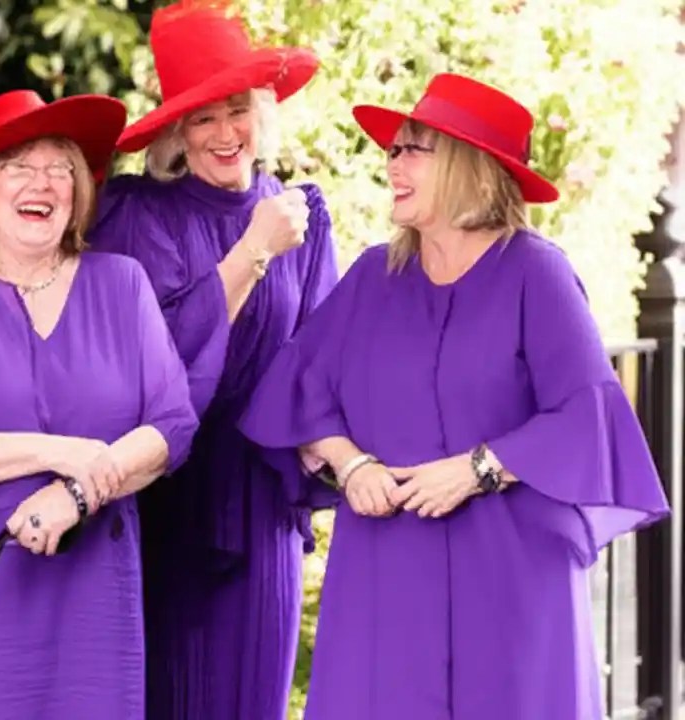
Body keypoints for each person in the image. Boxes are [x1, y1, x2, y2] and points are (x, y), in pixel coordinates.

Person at [241, 73, 670, 719]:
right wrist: (351, 464)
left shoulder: (536, 273)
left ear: (469, 167)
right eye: (393, 150)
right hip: (386, 573)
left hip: (510, 569)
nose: (393, 164)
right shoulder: (373, 277)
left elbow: (589, 415)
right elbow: (296, 388)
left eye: (413, 150)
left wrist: (477, 469)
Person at [0, 89, 199, 719]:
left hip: (95, 594)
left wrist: (78, 493)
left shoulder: (123, 283)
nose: (42, 182)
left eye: (59, 167)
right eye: (18, 166)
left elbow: (171, 426)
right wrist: (60, 453)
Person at [86, 1, 337, 716]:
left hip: (262, 497)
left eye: (238, 111)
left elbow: (321, 362)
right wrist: (251, 252)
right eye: (203, 118)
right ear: (176, 132)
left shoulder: (302, 214)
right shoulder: (139, 213)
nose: (225, 134)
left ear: (262, 115)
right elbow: (157, 363)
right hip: (165, 491)